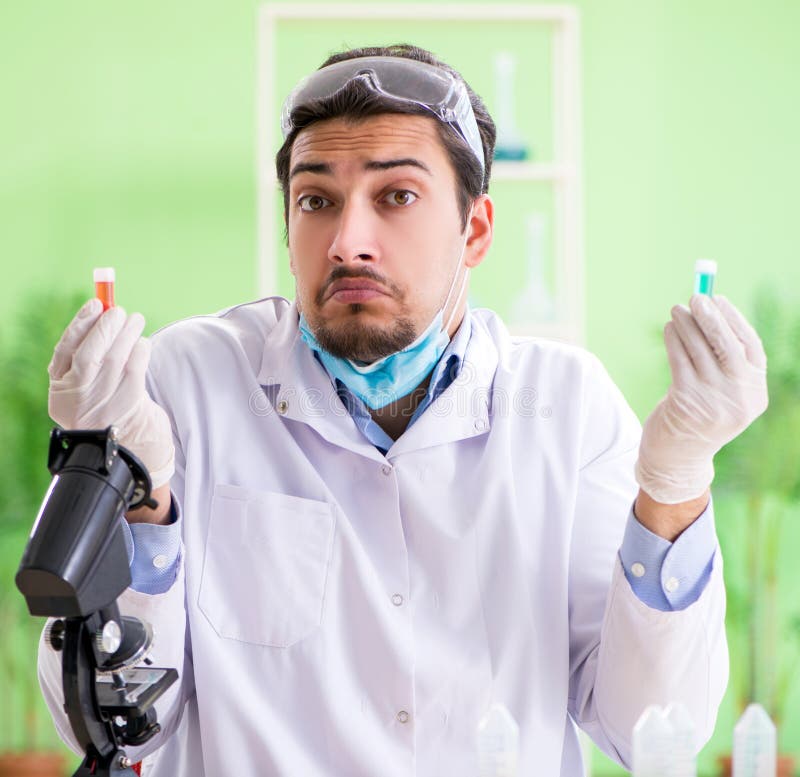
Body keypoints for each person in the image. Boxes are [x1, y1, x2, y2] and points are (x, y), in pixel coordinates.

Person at [39, 44, 768, 776]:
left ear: (475, 230)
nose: (349, 242)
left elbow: (649, 729)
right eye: (316, 200)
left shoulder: (565, 407)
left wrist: (674, 485)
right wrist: (137, 493)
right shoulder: (185, 384)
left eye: (397, 196)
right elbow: (117, 731)